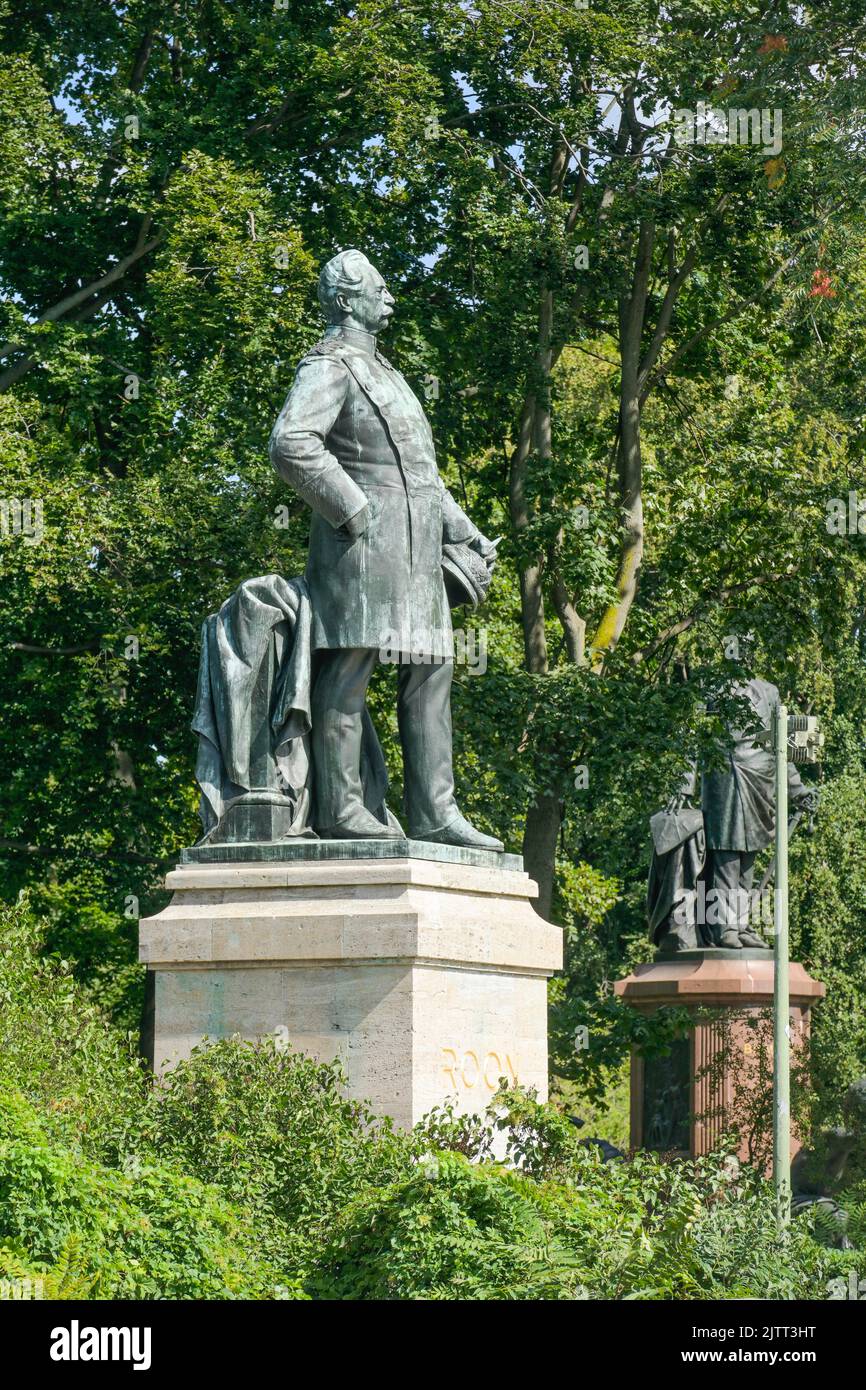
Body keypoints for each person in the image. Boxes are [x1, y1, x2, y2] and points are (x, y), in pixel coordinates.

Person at [269, 249, 502, 848]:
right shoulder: (328, 365)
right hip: (361, 549)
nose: (390, 297)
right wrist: (354, 510)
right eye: (379, 288)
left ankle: (435, 813)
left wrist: (467, 533)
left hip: (418, 551)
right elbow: (292, 443)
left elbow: (423, 476)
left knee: (432, 667)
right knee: (352, 666)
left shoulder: (390, 375)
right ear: (347, 300)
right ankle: (342, 810)